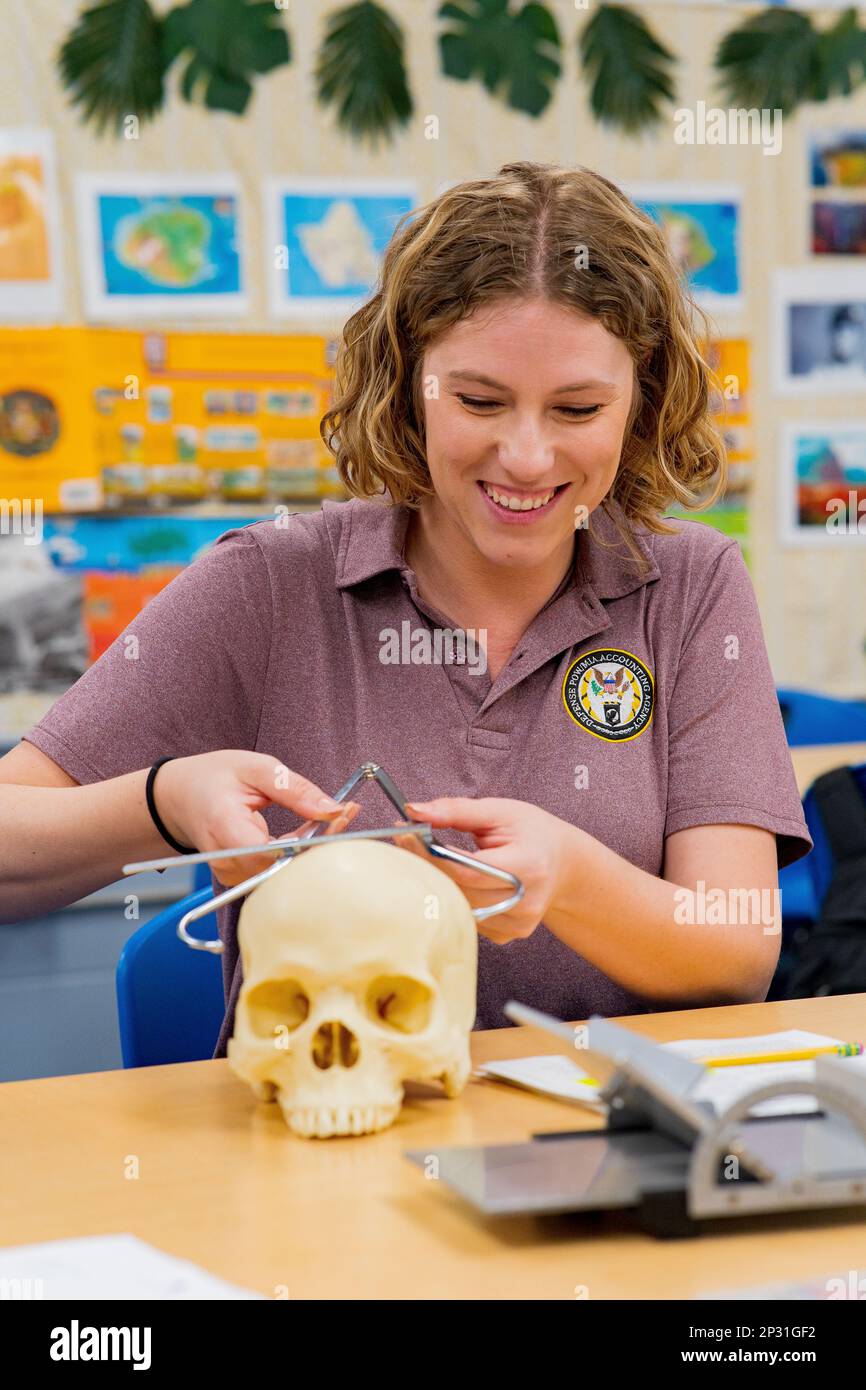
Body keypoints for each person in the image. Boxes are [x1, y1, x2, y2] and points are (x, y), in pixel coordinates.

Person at [0, 161, 812, 1056]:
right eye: (478, 400)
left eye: (578, 408)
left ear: (643, 399)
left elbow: (739, 950)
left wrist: (571, 879)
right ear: (406, 381)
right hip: (321, 1157)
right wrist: (163, 800)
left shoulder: (692, 587)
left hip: (605, 1161)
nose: (529, 456)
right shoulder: (270, 583)